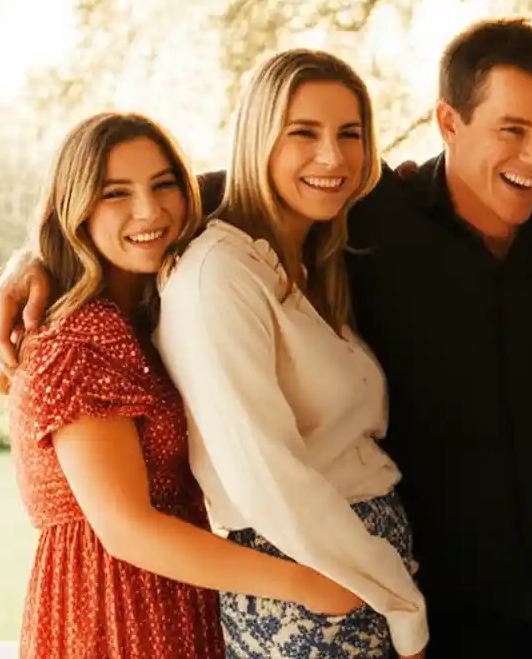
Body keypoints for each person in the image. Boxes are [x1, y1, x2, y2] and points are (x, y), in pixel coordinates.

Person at [0, 18, 532, 658]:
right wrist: (45, 256)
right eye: (512, 130)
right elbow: (209, 191)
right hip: (416, 603)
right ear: (449, 124)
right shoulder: (370, 216)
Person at [0, 112, 381, 658]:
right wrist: (307, 583)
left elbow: (258, 183)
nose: (149, 211)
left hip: (179, 594)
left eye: (164, 184)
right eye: (116, 193)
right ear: (75, 209)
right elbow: (127, 529)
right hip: (115, 613)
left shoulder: (153, 311)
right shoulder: (79, 342)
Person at [154, 49, 427, 658]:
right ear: (258, 140)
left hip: (361, 574)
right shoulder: (216, 277)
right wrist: (402, 607)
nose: (333, 157)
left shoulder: (302, 262)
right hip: (314, 591)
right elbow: (265, 476)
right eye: (303, 133)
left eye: (349, 134)